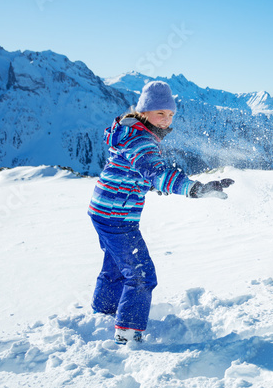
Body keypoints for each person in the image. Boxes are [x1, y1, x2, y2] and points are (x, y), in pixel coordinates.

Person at [88, 80, 234, 344]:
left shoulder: (131, 133)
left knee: (118, 267)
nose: (166, 120)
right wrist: (195, 189)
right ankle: (128, 332)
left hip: (104, 211)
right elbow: (157, 173)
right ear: (143, 112)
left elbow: (138, 173)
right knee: (142, 274)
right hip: (117, 217)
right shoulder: (141, 140)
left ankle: (105, 313)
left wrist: (152, 183)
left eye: (170, 115)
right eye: (160, 114)